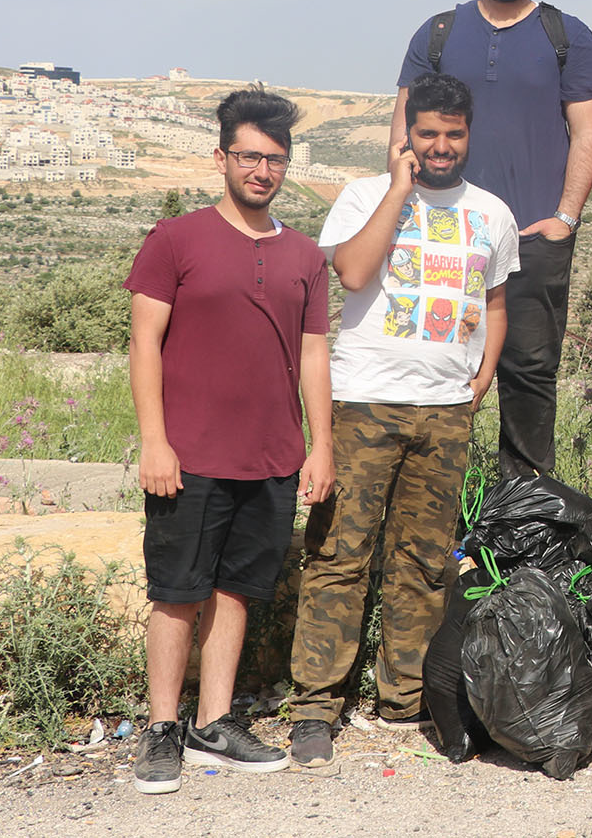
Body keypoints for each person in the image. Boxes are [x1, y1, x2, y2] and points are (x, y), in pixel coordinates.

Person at [287, 74, 517, 768]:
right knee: (339, 554)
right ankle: (314, 706)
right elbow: (353, 273)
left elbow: (496, 301)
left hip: (445, 411)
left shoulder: (493, 214)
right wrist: (397, 188)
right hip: (363, 401)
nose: (440, 146)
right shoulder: (363, 196)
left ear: (469, 133)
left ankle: (405, 696)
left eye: (453, 133)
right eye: (427, 133)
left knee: (423, 561)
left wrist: (481, 379)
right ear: (407, 134)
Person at [122, 89, 334, 794]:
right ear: (222, 157)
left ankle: (214, 722)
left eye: (275, 158)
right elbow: (144, 343)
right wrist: (154, 439)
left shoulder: (305, 253)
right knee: (177, 592)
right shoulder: (174, 239)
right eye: (250, 155)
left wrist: (321, 443)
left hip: (272, 454)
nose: (263, 169)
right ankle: (162, 728)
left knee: (238, 590)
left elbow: (313, 356)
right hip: (188, 453)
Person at [392, 0, 592, 477]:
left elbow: (589, 133)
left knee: (530, 375)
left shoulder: (569, 36)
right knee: (435, 368)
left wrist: (565, 217)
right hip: (444, 237)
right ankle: (435, 504)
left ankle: (526, 518)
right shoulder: (437, 33)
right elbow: (403, 133)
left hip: (534, 234)